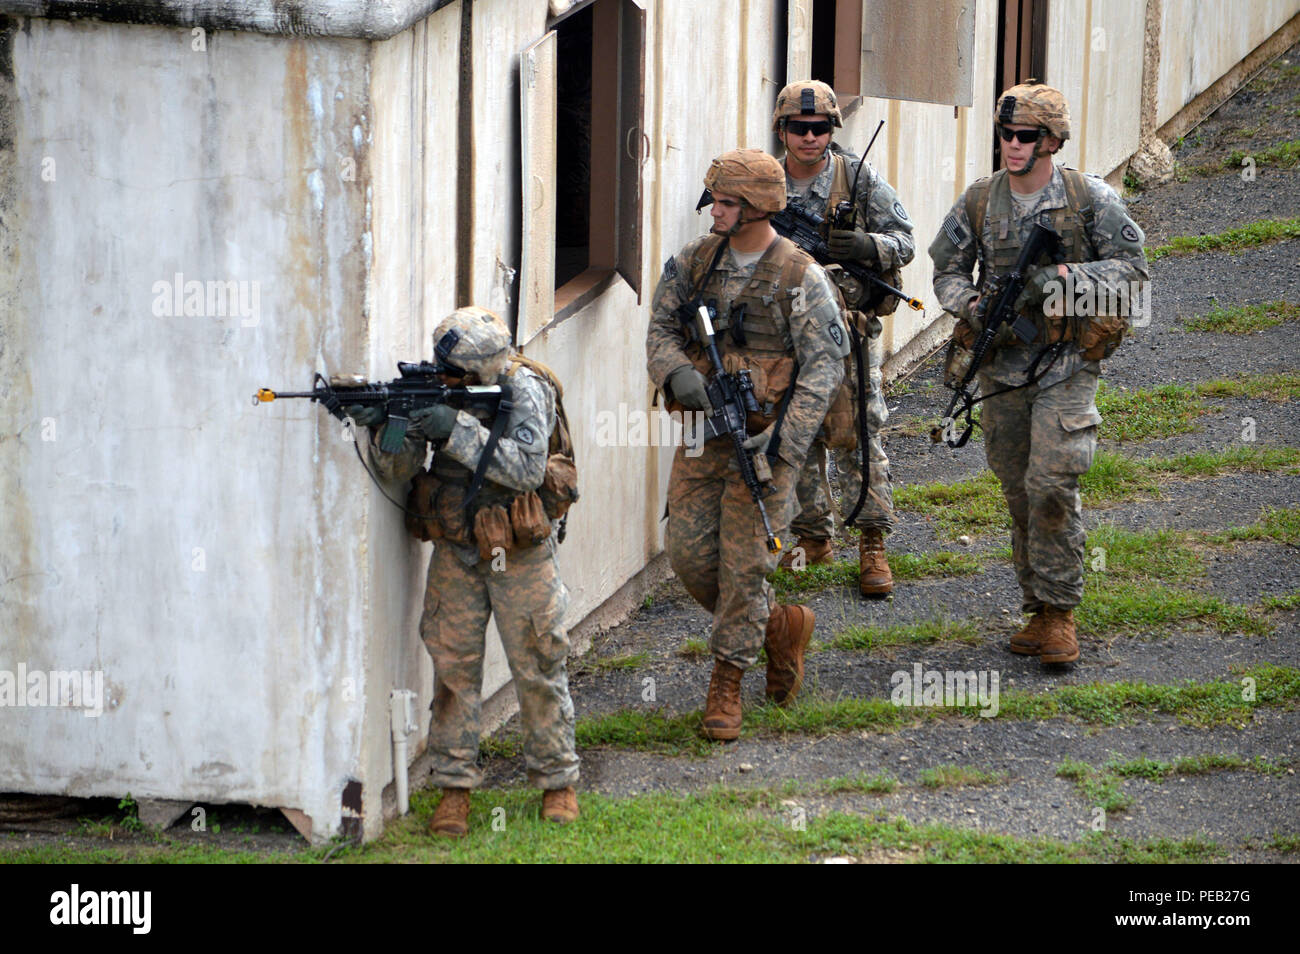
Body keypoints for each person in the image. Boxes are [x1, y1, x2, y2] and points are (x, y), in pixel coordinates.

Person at [928, 81, 1149, 666]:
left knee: (1053, 484)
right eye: (1005, 134)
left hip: (1067, 363)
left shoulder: (1087, 197)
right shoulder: (979, 201)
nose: (1012, 145)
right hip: (1002, 366)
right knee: (1018, 488)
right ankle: (1035, 605)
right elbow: (945, 271)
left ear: (1052, 140)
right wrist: (974, 307)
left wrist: (1057, 283)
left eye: (1025, 136)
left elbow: (1132, 272)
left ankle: (1060, 614)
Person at [346, 307, 580, 835]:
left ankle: (557, 780)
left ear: (482, 374)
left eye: (454, 373)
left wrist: (455, 429)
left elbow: (525, 469)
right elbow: (399, 473)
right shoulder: (442, 389)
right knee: (452, 671)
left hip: (519, 545)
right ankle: (454, 787)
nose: (443, 377)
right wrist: (390, 427)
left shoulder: (525, 389)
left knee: (539, 663)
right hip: (457, 543)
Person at [646, 148, 848, 739]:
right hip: (704, 437)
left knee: (744, 567)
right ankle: (780, 628)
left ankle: (727, 681)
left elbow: (823, 367)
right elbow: (661, 328)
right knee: (687, 555)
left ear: (759, 207)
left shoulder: (799, 276)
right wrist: (675, 373)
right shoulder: (695, 263)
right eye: (715, 201)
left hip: (767, 446)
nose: (714, 213)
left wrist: (784, 446)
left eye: (727, 203)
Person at [771, 80, 915, 597]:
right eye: (798, 128)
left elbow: (905, 242)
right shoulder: (767, 182)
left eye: (820, 128)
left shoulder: (857, 177)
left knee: (859, 430)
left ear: (833, 129)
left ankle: (872, 543)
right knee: (796, 430)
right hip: (787, 333)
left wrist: (863, 245)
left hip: (848, 327)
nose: (809, 138)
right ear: (782, 129)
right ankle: (812, 536)